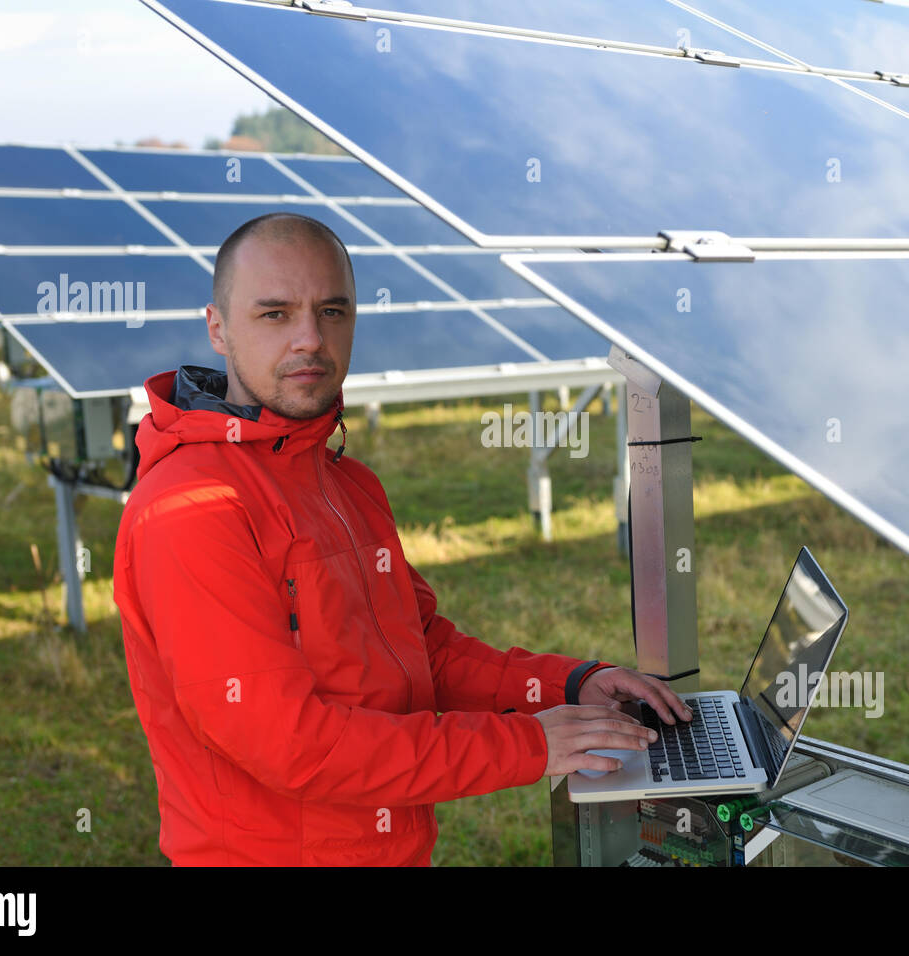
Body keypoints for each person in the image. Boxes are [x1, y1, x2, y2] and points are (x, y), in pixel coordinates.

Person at [111, 212, 693, 866]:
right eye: (275, 314)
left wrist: (569, 685)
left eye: (332, 311)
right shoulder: (192, 510)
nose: (311, 339)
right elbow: (294, 745)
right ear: (217, 328)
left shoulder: (344, 482)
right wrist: (528, 744)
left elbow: (424, 656)